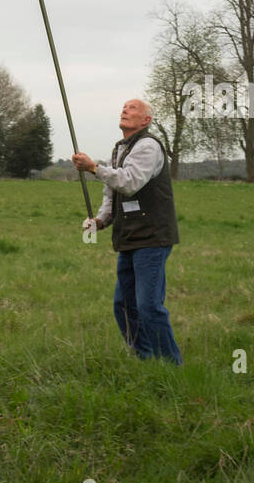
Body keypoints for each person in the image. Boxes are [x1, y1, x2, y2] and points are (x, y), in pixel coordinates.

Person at [72, 98, 182, 365]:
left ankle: (170, 365)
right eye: (123, 107)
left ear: (146, 120)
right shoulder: (120, 149)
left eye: (133, 108)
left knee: (148, 307)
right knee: (123, 306)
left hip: (152, 237)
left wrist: (94, 168)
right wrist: (100, 221)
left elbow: (129, 182)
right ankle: (145, 358)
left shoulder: (148, 146)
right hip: (129, 238)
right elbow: (113, 192)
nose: (125, 110)